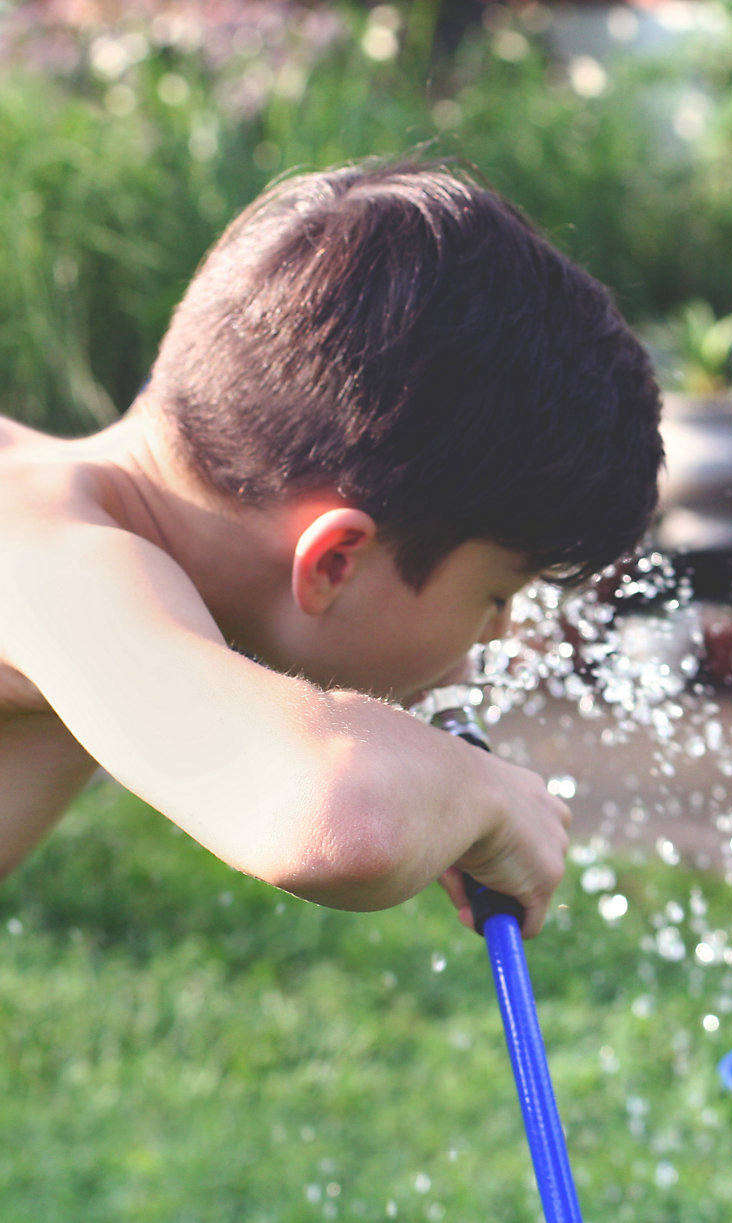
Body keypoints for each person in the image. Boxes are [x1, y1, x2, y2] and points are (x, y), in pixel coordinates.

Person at [0, 154, 664, 940]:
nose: (497, 634)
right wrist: (477, 791)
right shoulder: (46, 554)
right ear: (335, 561)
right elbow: (339, 818)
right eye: (495, 596)